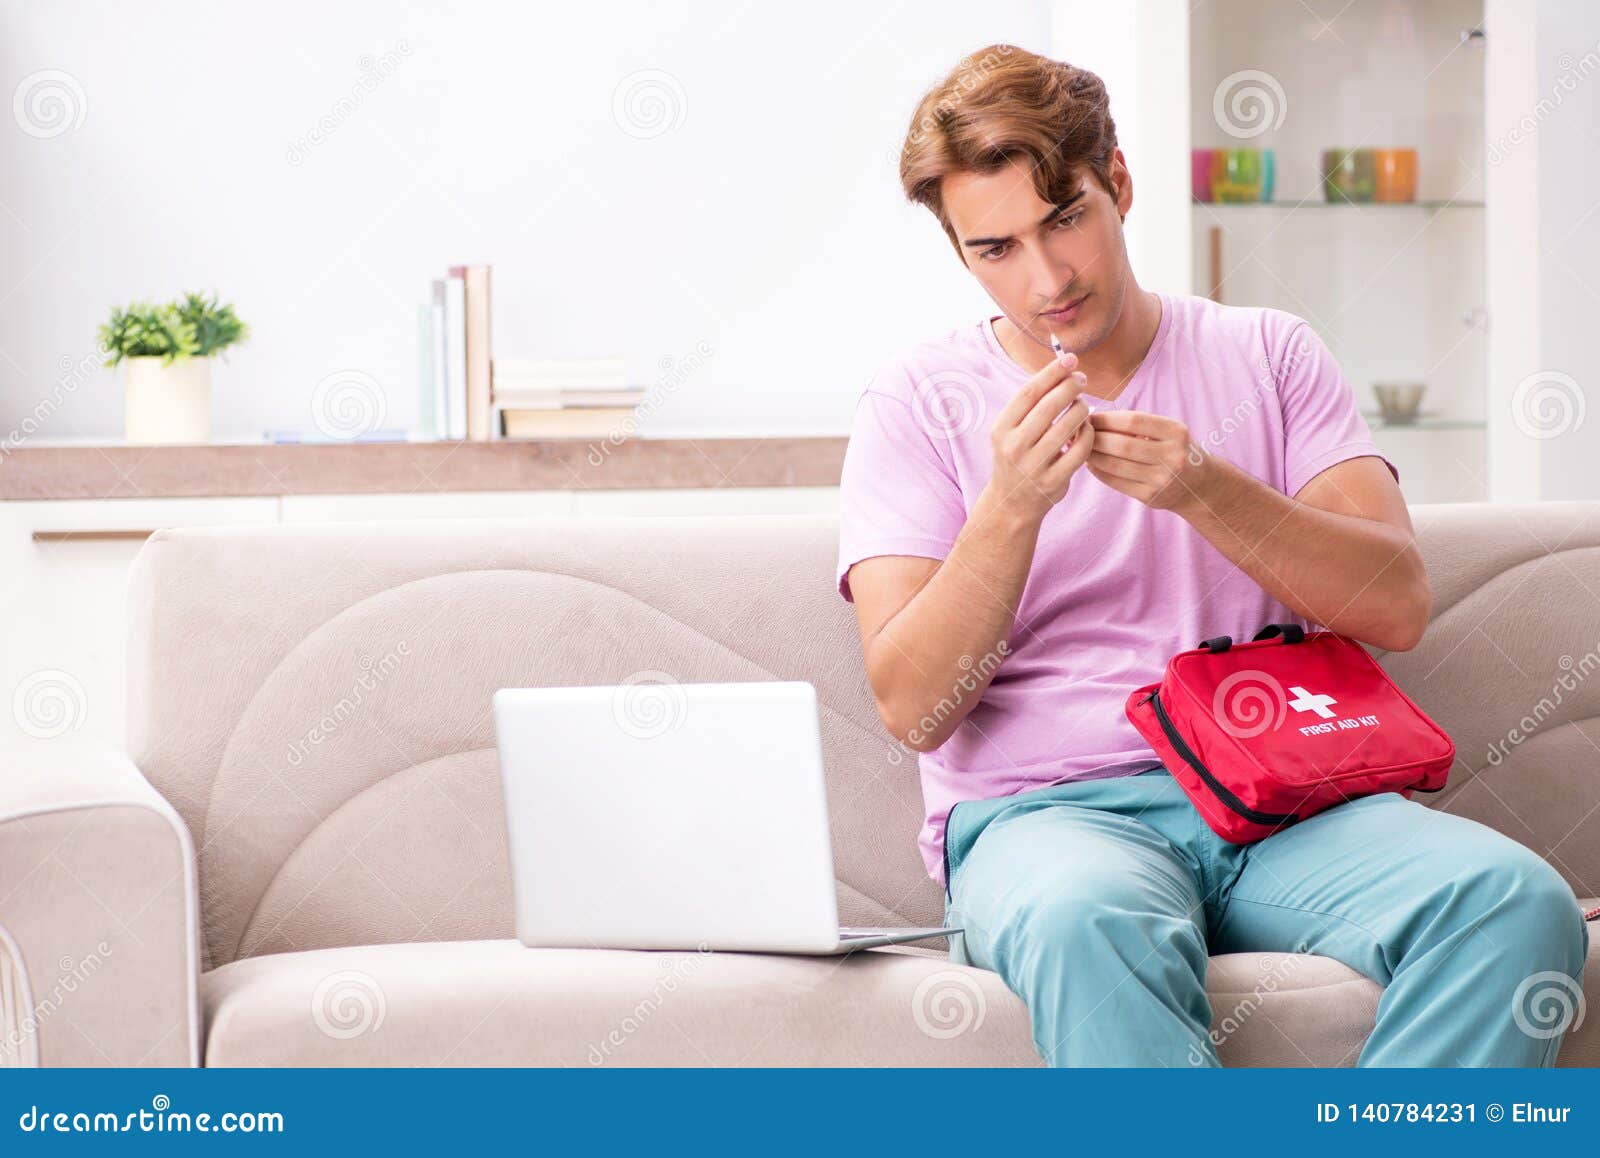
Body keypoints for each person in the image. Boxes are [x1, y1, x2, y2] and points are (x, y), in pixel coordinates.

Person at [836, 42, 1588, 1067]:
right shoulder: (916, 402)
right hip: (1051, 818)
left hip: (1285, 804)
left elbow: (1395, 605)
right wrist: (1010, 508)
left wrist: (1203, 488)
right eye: (995, 249)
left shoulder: (1267, 355)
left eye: (1065, 220)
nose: (1047, 278)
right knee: (1085, 919)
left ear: (1120, 185)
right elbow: (915, 706)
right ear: (960, 253)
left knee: (1513, 904)